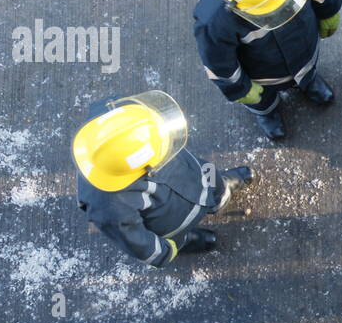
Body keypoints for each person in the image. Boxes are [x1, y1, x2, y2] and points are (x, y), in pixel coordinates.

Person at [73, 91, 253, 267]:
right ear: (140, 166)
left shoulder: (114, 115)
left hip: (192, 171)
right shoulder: (108, 205)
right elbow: (136, 241)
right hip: (172, 221)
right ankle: (184, 241)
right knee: (177, 237)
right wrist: (166, 250)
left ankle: (221, 191)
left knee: (211, 178)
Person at [193, 0, 341, 141]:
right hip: (262, 73)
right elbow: (218, 62)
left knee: (308, 69)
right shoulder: (214, 20)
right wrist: (242, 89)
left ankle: (309, 82)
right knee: (261, 99)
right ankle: (267, 112)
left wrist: (329, 10)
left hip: (304, 44)